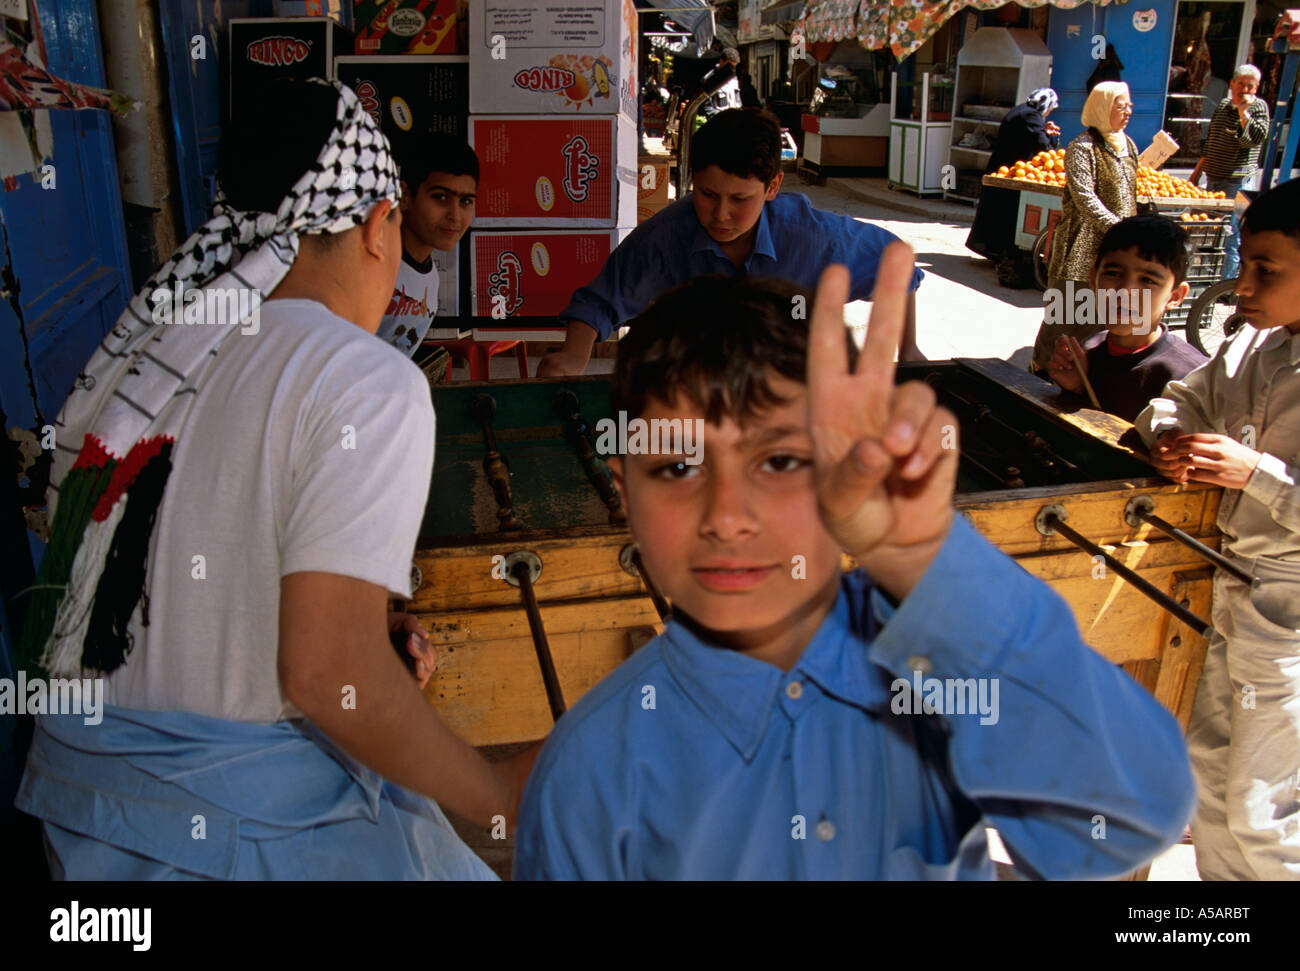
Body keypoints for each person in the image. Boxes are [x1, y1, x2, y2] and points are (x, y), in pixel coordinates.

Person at [513, 248, 1197, 880]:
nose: (726, 514)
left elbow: (1133, 817)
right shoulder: (589, 772)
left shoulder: (941, 674)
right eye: (677, 465)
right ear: (623, 492)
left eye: (780, 460)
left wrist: (922, 559)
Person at [13, 79, 537, 879]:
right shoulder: (370, 381)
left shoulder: (157, 359)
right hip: (223, 840)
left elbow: (188, 569)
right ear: (376, 226)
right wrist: (494, 788)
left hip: (78, 819)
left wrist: (364, 636)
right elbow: (326, 672)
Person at [1135, 178, 1300, 880]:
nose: (1244, 284)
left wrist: (1254, 472)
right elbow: (1173, 401)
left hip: (1289, 611)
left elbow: (1262, 477)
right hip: (1224, 586)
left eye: (1268, 270)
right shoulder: (1248, 350)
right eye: (1245, 263)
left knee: (1266, 813)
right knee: (1208, 780)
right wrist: (1169, 436)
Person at [537, 108, 925, 377]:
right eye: (707, 194)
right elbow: (600, 301)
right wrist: (574, 353)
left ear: (773, 187)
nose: (720, 214)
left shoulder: (814, 239)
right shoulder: (668, 236)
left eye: (740, 200)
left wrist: (908, 351)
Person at [1046, 215, 1208, 422]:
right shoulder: (1089, 351)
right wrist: (1077, 389)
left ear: (1175, 296)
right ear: (1094, 280)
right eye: (1113, 273)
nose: (1125, 291)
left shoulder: (1188, 377)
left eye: (1147, 280)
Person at [1031, 82, 1138, 373]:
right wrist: (1119, 228)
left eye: (1129, 105)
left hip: (1116, 248)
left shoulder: (1128, 145)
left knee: (1102, 317)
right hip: (1080, 247)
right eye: (1120, 105)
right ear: (1102, 107)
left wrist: (1134, 228)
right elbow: (1084, 197)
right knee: (1066, 314)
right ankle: (1041, 371)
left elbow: (1131, 193)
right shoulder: (1082, 147)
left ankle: (1085, 375)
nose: (1128, 111)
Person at [376, 133, 478, 357]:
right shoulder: (371, 265)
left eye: (466, 201)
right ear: (404, 197)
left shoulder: (431, 279)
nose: (455, 216)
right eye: (440, 197)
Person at [965, 87, 1060, 286]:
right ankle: (1007, 256)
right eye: (1050, 109)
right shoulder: (1030, 117)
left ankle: (999, 252)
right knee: (1007, 215)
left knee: (999, 214)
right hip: (1010, 173)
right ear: (1045, 105)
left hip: (1006, 170)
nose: (1050, 113)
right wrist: (1051, 142)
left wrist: (1045, 130)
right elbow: (1043, 147)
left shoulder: (1023, 111)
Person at [1189, 65, 1269, 280]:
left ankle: (1225, 286)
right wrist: (1197, 172)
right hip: (1214, 177)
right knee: (1205, 229)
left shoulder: (1259, 107)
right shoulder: (1224, 105)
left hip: (1237, 181)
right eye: (1240, 84)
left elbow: (1252, 139)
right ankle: (1202, 277)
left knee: (1231, 233)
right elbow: (1212, 142)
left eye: (1249, 86)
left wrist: (1244, 113)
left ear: (1256, 87)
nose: (1244, 89)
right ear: (1232, 84)